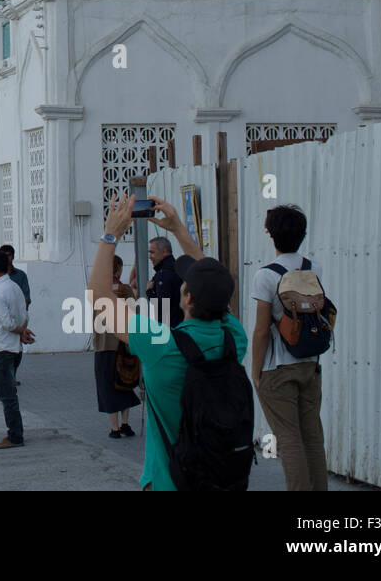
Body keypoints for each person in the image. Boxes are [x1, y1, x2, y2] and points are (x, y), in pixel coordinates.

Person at [89, 193, 248, 491]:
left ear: (186, 297)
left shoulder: (162, 344)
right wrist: (179, 231)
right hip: (223, 478)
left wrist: (111, 233)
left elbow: (99, 298)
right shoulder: (234, 338)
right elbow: (214, 281)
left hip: (170, 481)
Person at [251, 204, 327, 492]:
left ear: (271, 235)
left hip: (277, 367)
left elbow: (261, 331)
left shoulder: (266, 275)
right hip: (310, 362)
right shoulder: (313, 268)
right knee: (312, 437)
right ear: (302, 234)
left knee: (289, 439)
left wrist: (256, 372)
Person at [0, 250, 32, 449]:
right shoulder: (14, 287)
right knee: (9, 392)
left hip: (1, 347)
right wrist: (22, 331)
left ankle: (15, 435)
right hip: (13, 347)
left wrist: (20, 330)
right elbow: (24, 316)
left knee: (7, 395)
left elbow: (6, 323)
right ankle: (15, 432)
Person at [93, 256, 141, 437]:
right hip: (123, 345)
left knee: (106, 387)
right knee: (124, 384)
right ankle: (126, 424)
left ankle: (114, 428)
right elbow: (133, 314)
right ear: (118, 269)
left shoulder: (98, 291)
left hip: (103, 346)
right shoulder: (125, 289)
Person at [0, 244, 29, 381]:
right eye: (3, 256)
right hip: (0, 319)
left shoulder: (20, 276)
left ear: (13, 256)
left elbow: (26, 298)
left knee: (17, 348)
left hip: (17, 318)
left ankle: (12, 375)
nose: (7, 258)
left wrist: (24, 319)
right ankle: (3, 377)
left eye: (9, 255)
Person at [145, 236, 184, 328]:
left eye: (152, 252)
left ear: (164, 251)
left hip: (169, 329)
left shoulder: (164, 274)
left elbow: (162, 308)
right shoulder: (178, 268)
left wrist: (150, 292)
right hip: (180, 326)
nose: (149, 257)